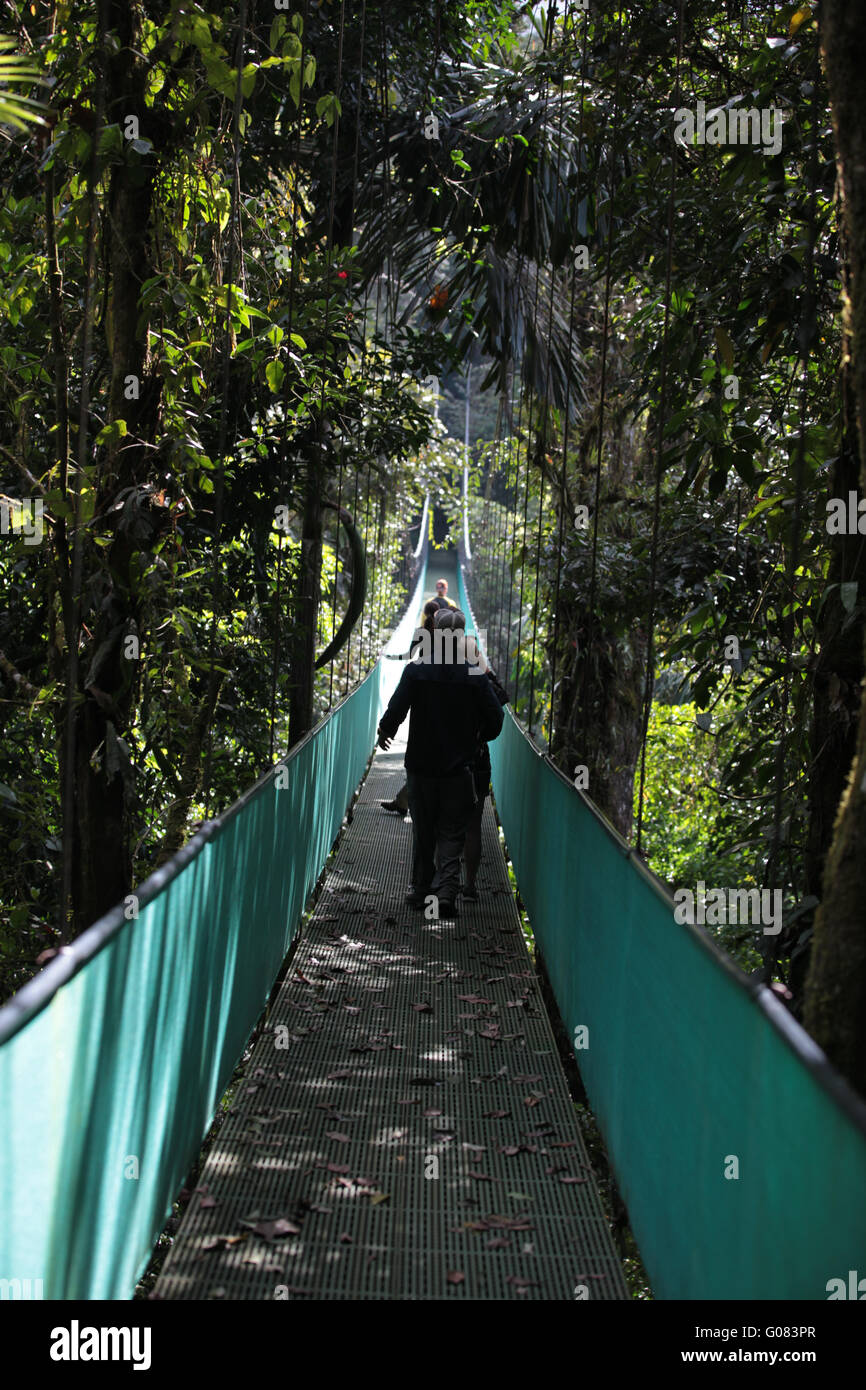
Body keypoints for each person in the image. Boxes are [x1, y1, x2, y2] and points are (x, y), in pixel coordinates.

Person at [377, 607, 504, 917]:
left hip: (421, 768)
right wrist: (478, 736)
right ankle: (446, 891)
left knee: (424, 830)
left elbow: (397, 708)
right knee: (452, 831)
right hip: (458, 769)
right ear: (460, 636)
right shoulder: (473, 675)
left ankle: (421, 890)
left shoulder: (417, 670)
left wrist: (386, 731)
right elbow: (496, 720)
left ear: (433, 633)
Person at [380, 599, 439, 816]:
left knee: (420, 756)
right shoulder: (457, 651)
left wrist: (386, 729)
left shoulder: (419, 635)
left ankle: (405, 801)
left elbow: (408, 656)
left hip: (421, 690)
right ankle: (404, 801)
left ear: (425, 615)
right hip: (447, 711)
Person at [462, 661, 509, 900]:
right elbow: (500, 707)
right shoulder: (481, 679)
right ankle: (469, 886)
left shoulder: (436, 670)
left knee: (443, 824)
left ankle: (441, 887)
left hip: (446, 759)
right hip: (478, 759)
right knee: (473, 826)